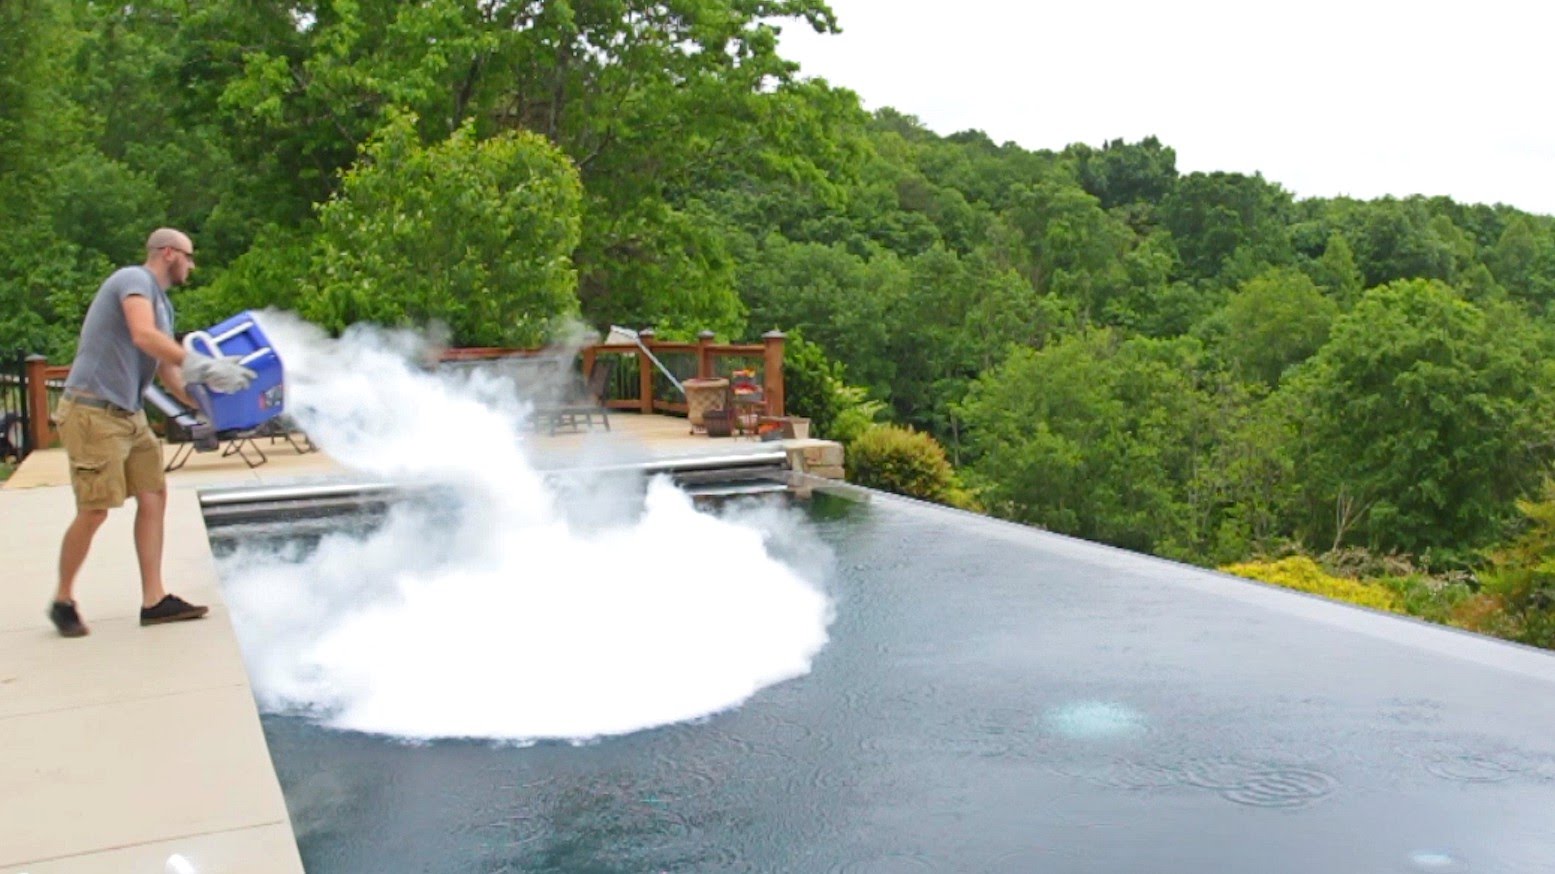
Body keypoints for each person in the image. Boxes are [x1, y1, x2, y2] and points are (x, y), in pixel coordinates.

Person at [48, 228, 256, 637]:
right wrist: (205, 364)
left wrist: (211, 405)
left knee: (154, 495)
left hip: (129, 413)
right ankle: (62, 599)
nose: (192, 266)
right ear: (167, 253)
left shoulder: (163, 305)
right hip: (93, 411)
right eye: (189, 257)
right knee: (94, 510)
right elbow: (143, 335)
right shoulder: (133, 280)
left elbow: (165, 368)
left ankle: (154, 600)